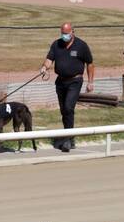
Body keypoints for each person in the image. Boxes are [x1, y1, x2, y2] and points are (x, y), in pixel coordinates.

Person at [39, 22, 94, 152]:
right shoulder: (56, 44)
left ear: (72, 32)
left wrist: (90, 82)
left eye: (66, 33)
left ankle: (68, 140)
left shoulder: (81, 46)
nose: (64, 36)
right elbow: (49, 59)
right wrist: (44, 67)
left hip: (75, 81)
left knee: (69, 107)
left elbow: (90, 64)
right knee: (64, 111)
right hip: (60, 82)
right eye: (62, 33)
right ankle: (69, 135)